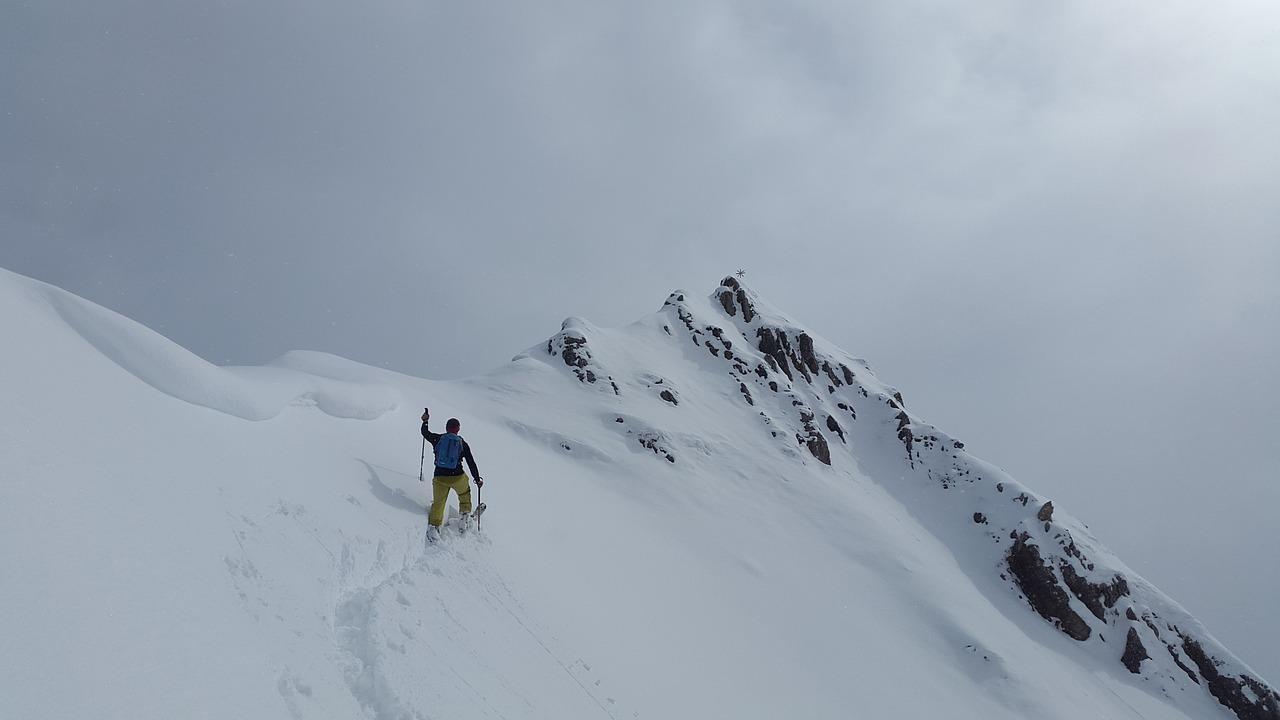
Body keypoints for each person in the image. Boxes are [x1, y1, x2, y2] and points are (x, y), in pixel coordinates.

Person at [421, 408, 482, 542]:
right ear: (458, 429)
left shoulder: (438, 439)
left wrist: (425, 421)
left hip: (440, 478)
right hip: (457, 477)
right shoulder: (462, 443)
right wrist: (477, 479)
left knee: (438, 503)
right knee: (464, 493)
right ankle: (464, 516)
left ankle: (434, 528)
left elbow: (425, 433)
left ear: (446, 428)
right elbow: (471, 462)